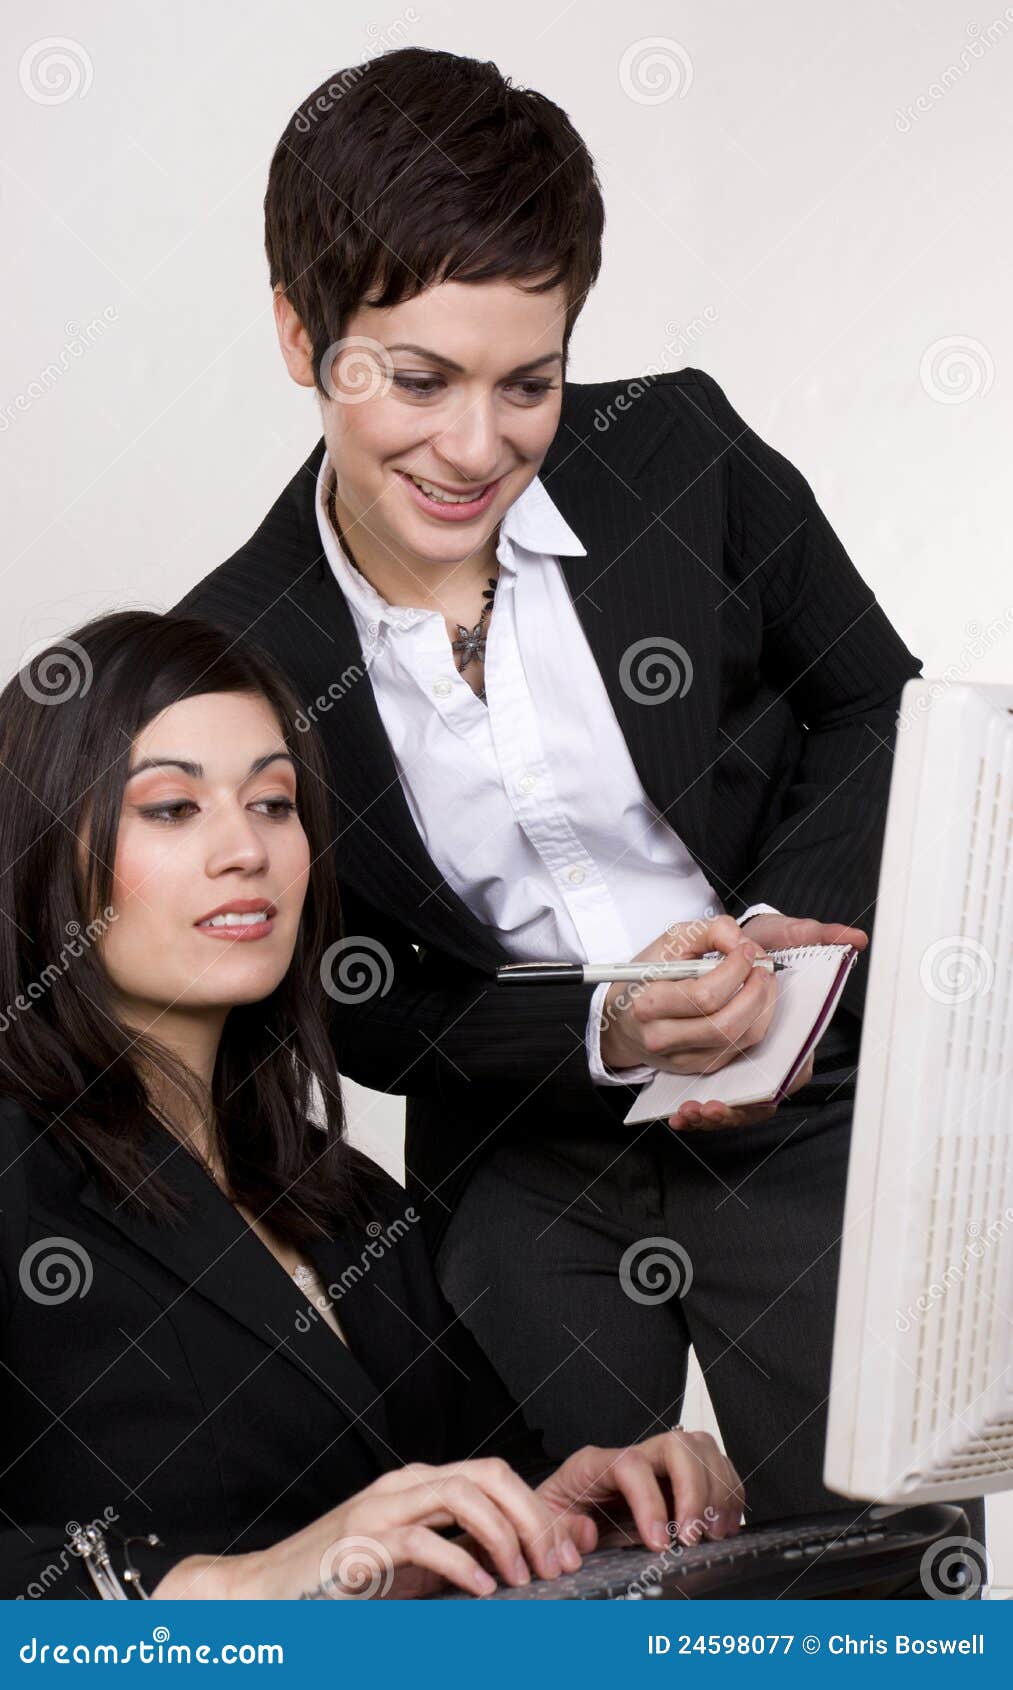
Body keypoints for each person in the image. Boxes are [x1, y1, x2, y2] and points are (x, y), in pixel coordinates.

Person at [172, 47, 984, 1546]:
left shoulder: (681, 449)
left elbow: (881, 703)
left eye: (525, 382)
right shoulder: (238, 645)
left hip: (807, 1112)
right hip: (524, 1168)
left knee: (878, 1571)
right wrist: (597, 1023)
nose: (475, 446)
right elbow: (340, 996)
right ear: (302, 333)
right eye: (416, 379)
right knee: (558, 1568)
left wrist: (764, 943)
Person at [0, 611, 742, 1601]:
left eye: (273, 802)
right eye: (172, 808)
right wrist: (242, 1583)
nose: (246, 850)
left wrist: (562, 1511)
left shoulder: (346, 1199)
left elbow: (447, 1495)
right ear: (45, 848)